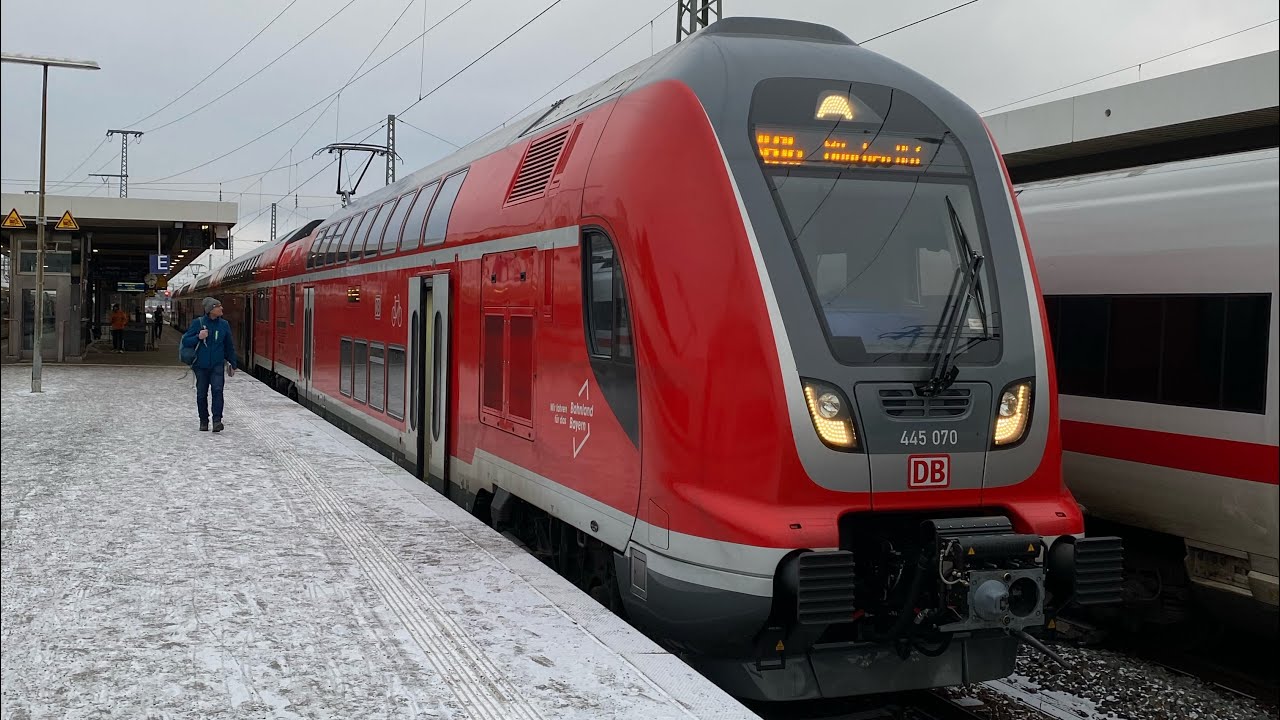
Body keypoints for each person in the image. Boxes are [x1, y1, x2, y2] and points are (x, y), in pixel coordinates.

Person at [181, 297, 237, 433]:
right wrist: (197, 337)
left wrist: (233, 363)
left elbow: (229, 345)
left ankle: (217, 420)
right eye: (219, 306)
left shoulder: (224, 325)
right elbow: (186, 341)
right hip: (200, 365)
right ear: (211, 309)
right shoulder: (197, 323)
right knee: (201, 394)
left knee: (218, 391)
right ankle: (203, 421)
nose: (222, 309)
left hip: (217, 365)